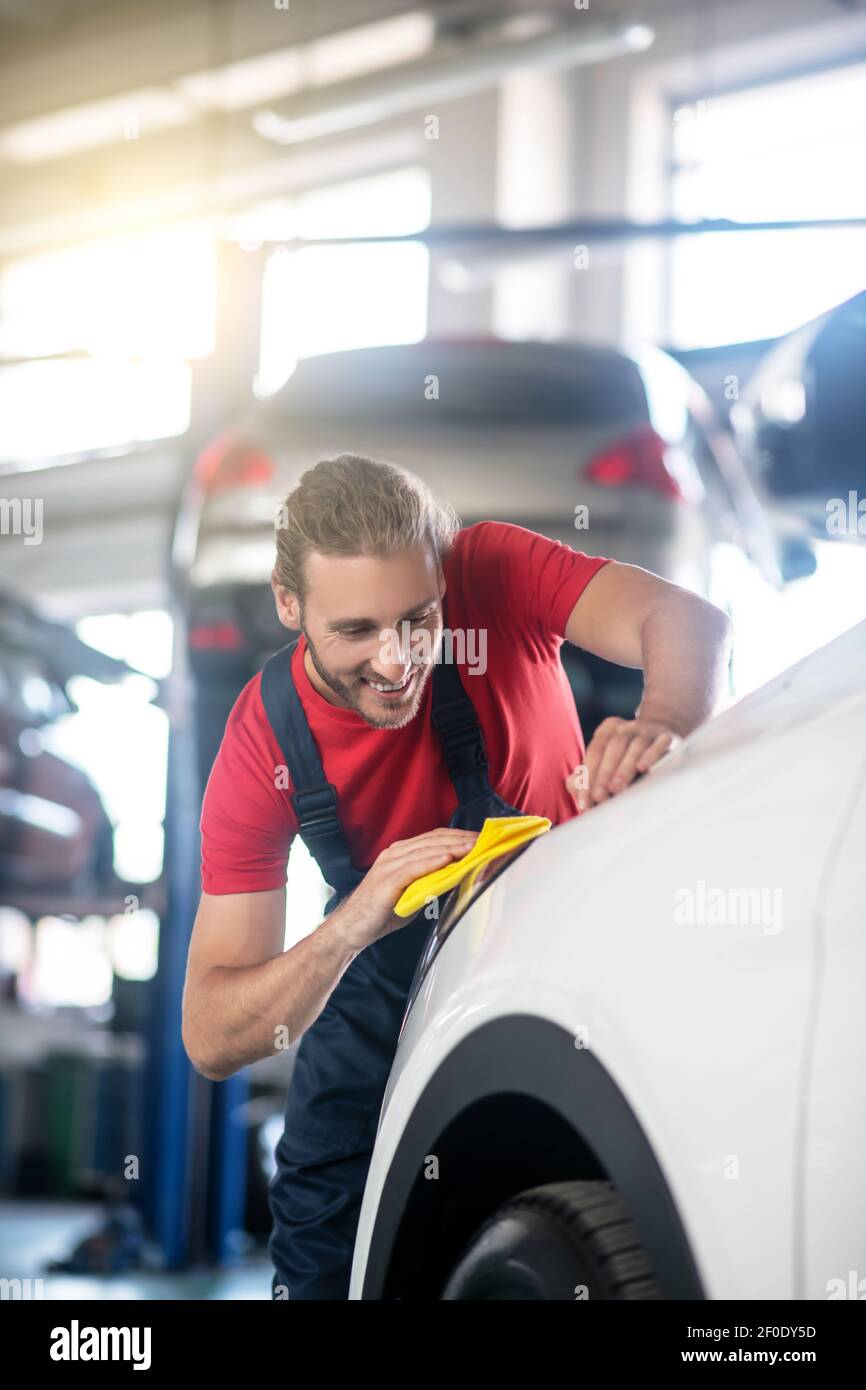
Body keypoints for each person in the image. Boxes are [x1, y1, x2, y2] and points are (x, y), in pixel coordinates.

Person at [181, 453, 732, 1299]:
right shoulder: (264, 742)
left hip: (569, 927)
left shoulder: (492, 569)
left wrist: (660, 723)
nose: (398, 661)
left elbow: (687, 619)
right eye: (356, 631)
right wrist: (355, 921)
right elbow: (214, 1037)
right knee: (323, 1236)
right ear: (290, 604)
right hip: (380, 970)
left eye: (419, 620)